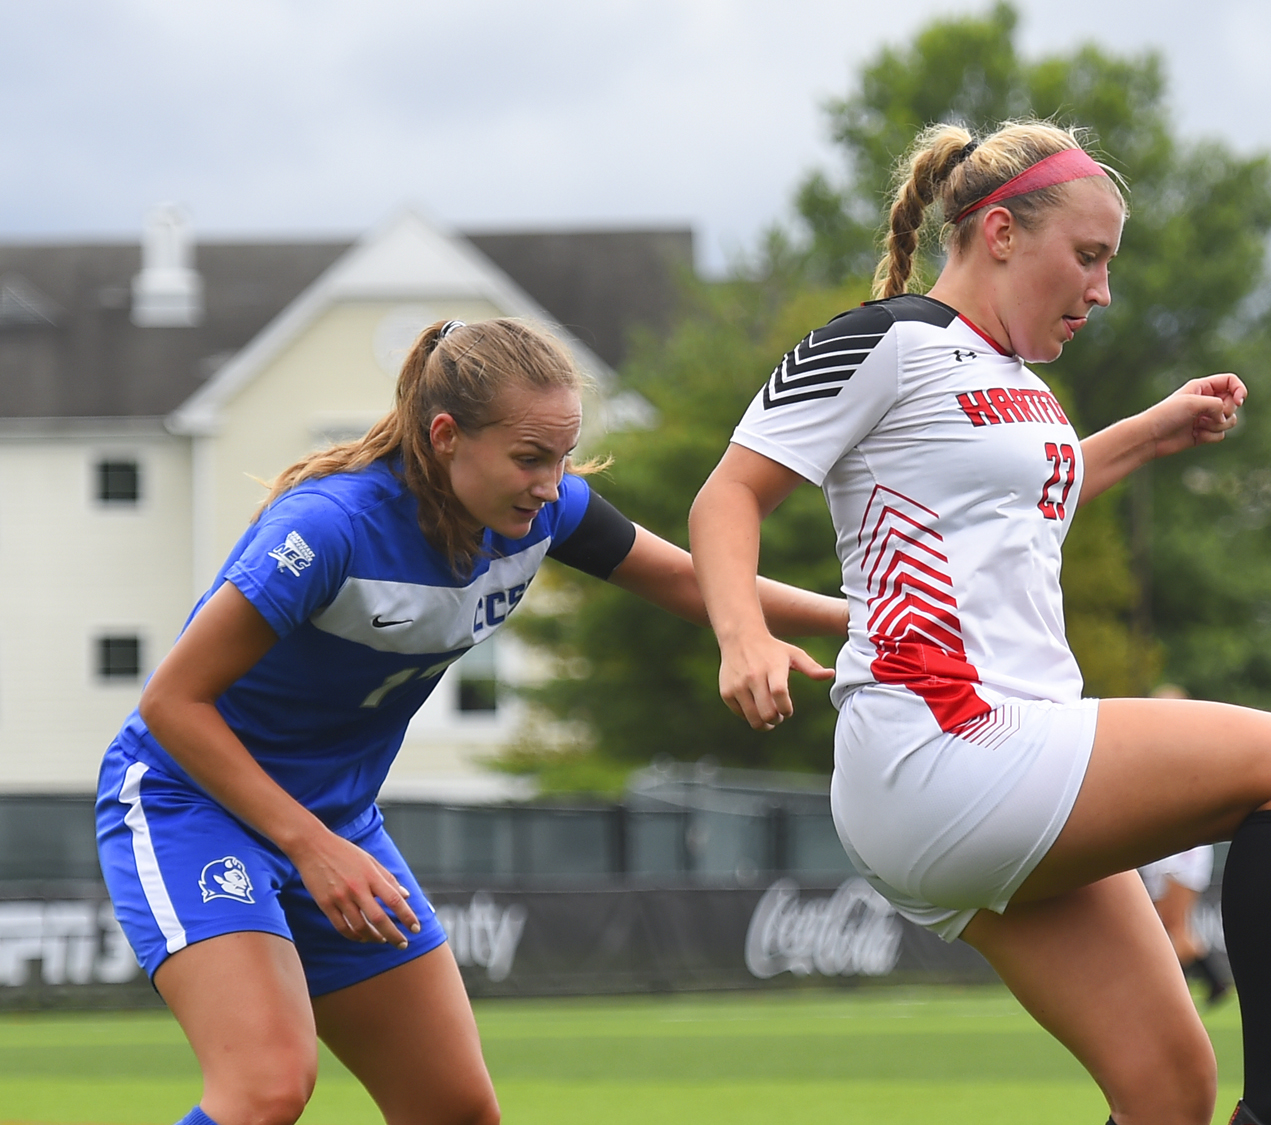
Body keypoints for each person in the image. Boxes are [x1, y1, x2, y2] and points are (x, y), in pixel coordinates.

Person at [690, 121, 1271, 1125]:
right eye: (1088, 257)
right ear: (1000, 233)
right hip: (942, 745)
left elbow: (1023, 504)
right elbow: (725, 499)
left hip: (1002, 752)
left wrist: (1148, 431)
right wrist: (741, 635)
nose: (1101, 291)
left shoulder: (1015, 381)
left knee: (1165, 1090)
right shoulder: (885, 339)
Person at [97, 318, 846, 1125]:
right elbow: (171, 703)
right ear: (446, 436)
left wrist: (867, 619)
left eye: (562, 458)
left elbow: (696, 582)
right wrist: (310, 845)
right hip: (192, 806)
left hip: (337, 827)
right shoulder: (326, 530)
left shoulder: (542, 515)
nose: (553, 484)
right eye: (531, 457)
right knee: (267, 1091)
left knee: (453, 1109)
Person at [1137, 845, 1230, 1006]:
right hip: (1164, 850)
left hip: (1181, 851)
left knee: (1175, 928)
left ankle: (1173, 995)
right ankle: (1212, 983)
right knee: (1171, 928)